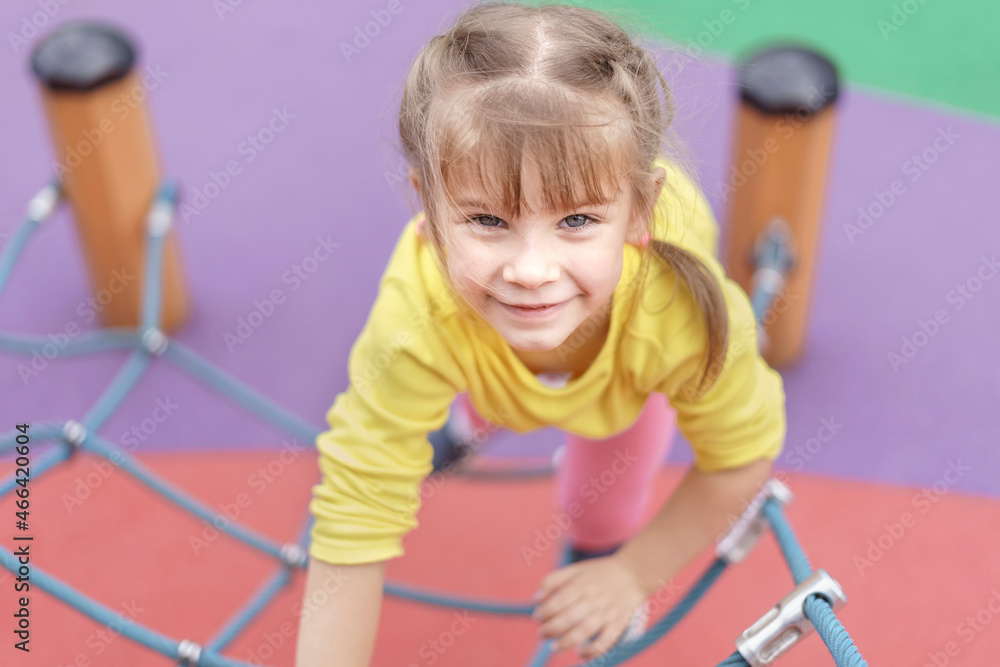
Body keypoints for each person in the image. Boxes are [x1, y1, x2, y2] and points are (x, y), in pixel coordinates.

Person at [295, 2, 785, 665]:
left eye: (578, 219)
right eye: (487, 220)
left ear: (639, 211)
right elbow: (354, 511)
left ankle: (595, 546)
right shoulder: (418, 312)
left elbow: (741, 456)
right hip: (472, 345)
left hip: (622, 384)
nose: (531, 270)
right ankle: (471, 424)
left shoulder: (675, 318)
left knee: (601, 506)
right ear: (429, 208)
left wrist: (630, 571)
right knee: (475, 366)